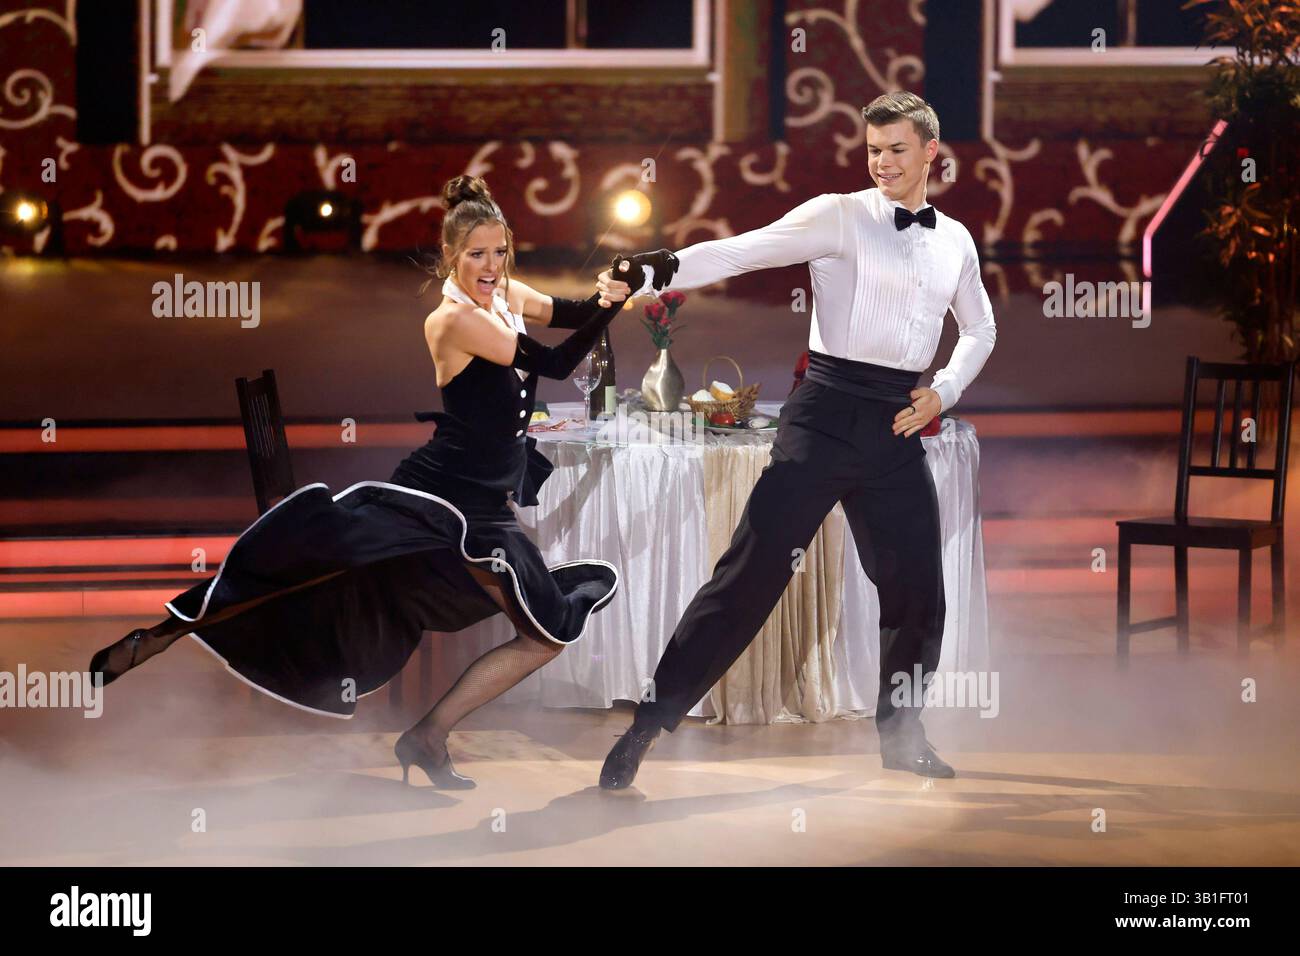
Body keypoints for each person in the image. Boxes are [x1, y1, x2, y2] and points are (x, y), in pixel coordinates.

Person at [89, 175, 635, 789]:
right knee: (316, 572)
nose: (491, 266)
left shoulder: (504, 292)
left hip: (484, 501)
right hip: (442, 500)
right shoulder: (453, 319)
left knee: (542, 631)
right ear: (450, 257)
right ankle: (161, 634)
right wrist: (612, 306)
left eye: (499, 252)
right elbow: (559, 363)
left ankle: (427, 736)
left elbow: (576, 315)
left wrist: (611, 289)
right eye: (476, 255)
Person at [595, 91, 998, 787]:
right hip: (823, 416)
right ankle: (647, 727)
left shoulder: (955, 241)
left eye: (897, 149)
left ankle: (902, 736)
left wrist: (945, 389)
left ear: (931, 152)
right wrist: (653, 269)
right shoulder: (837, 214)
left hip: (895, 424)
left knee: (919, 594)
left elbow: (982, 329)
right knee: (750, 576)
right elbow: (743, 252)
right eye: (873, 149)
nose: (882, 162)